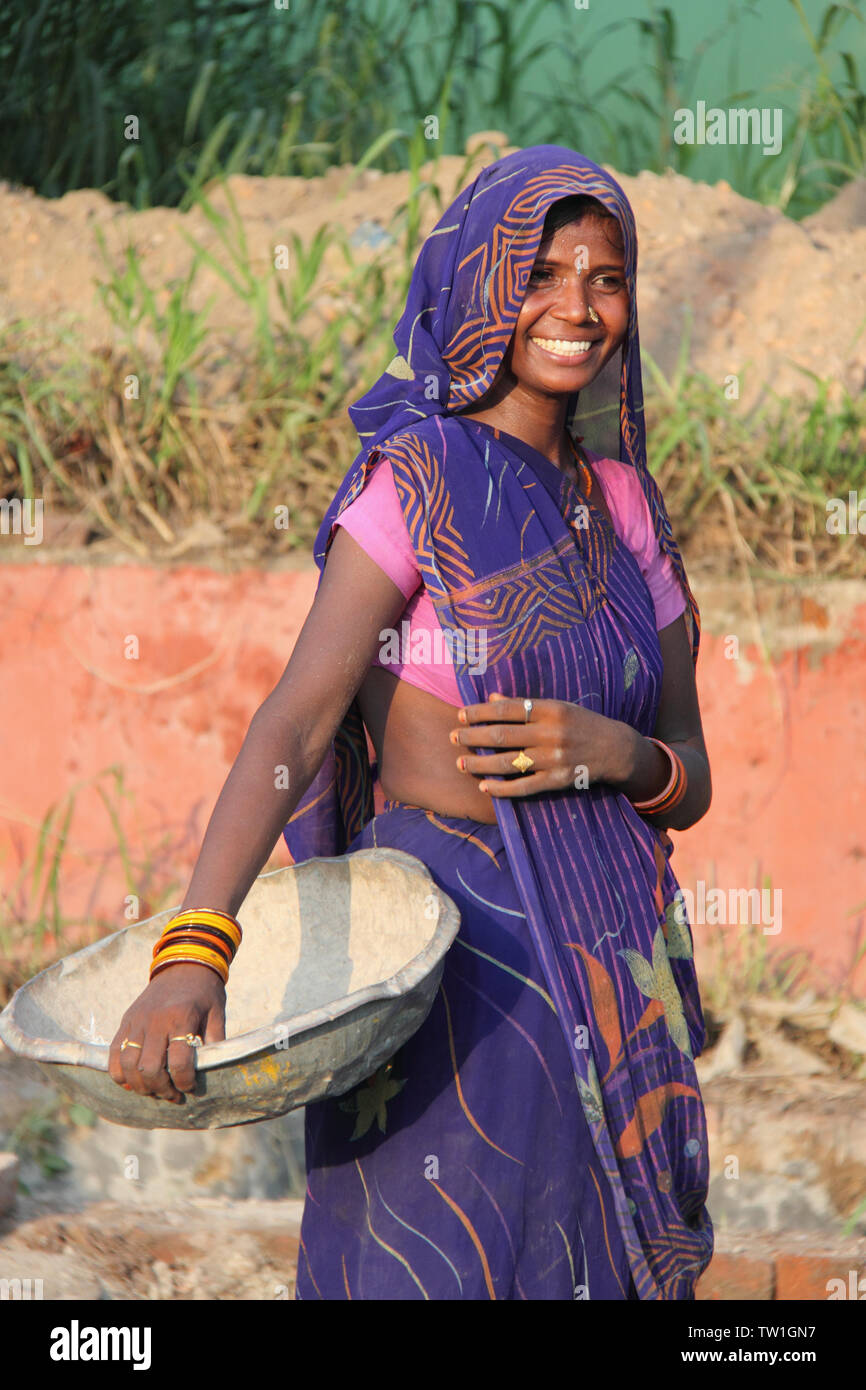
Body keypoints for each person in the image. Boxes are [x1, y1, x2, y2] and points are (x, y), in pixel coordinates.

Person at [109, 145, 714, 1301]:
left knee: (594, 1264)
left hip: (610, 962)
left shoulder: (625, 506)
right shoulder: (416, 478)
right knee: (428, 1252)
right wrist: (194, 950)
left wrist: (616, 754)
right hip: (447, 964)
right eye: (540, 272)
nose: (575, 308)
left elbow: (688, 770)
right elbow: (297, 716)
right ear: (479, 285)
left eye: (605, 277)